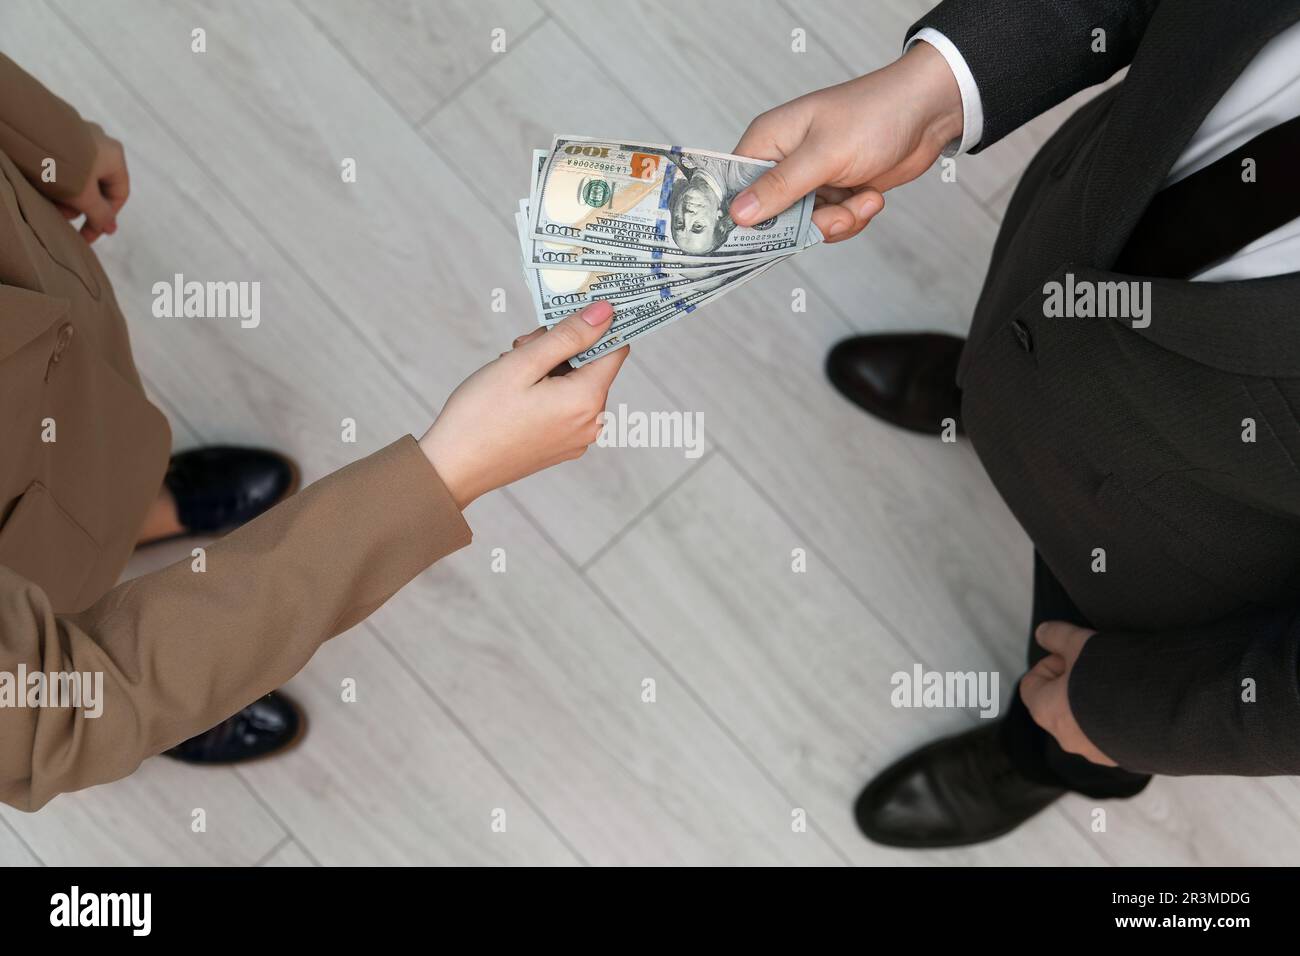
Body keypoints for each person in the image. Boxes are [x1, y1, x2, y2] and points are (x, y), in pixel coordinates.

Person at [730, 0, 1300, 847]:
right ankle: (987, 391)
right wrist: (942, 83)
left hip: (1191, 532)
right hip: (1086, 221)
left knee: (1074, 670)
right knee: (1019, 357)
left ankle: (1046, 758)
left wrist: (1117, 713)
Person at [0, 53, 628, 811]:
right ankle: (172, 708)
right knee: (101, 669)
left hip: (33, 304)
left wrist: (42, 138)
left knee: (98, 437)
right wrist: (445, 475)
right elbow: (51, 716)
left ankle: (134, 508)